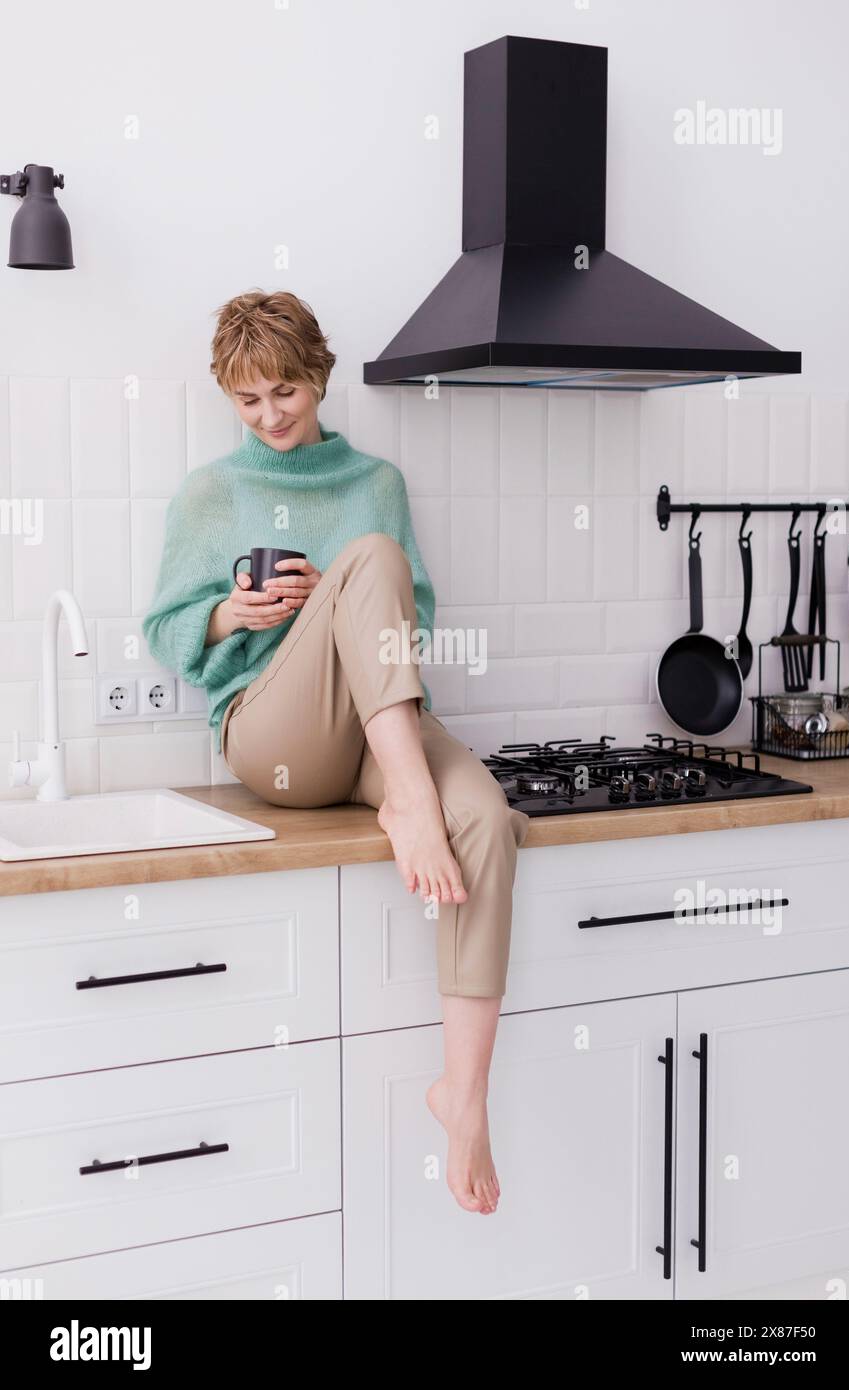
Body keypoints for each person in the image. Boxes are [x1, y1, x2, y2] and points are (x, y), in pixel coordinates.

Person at [142, 289, 529, 1214]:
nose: (270, 415)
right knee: (370, 562)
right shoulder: (211, 492)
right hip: (273, 737)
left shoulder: (376, 481)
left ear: (319, 377)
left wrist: (350, 601)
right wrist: (238, 612)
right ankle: (407, 798)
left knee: (481, 819)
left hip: (373, 720)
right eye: (248, 400)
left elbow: (414, 616)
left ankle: (462, 1094)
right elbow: (164, 630)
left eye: (285, 391)